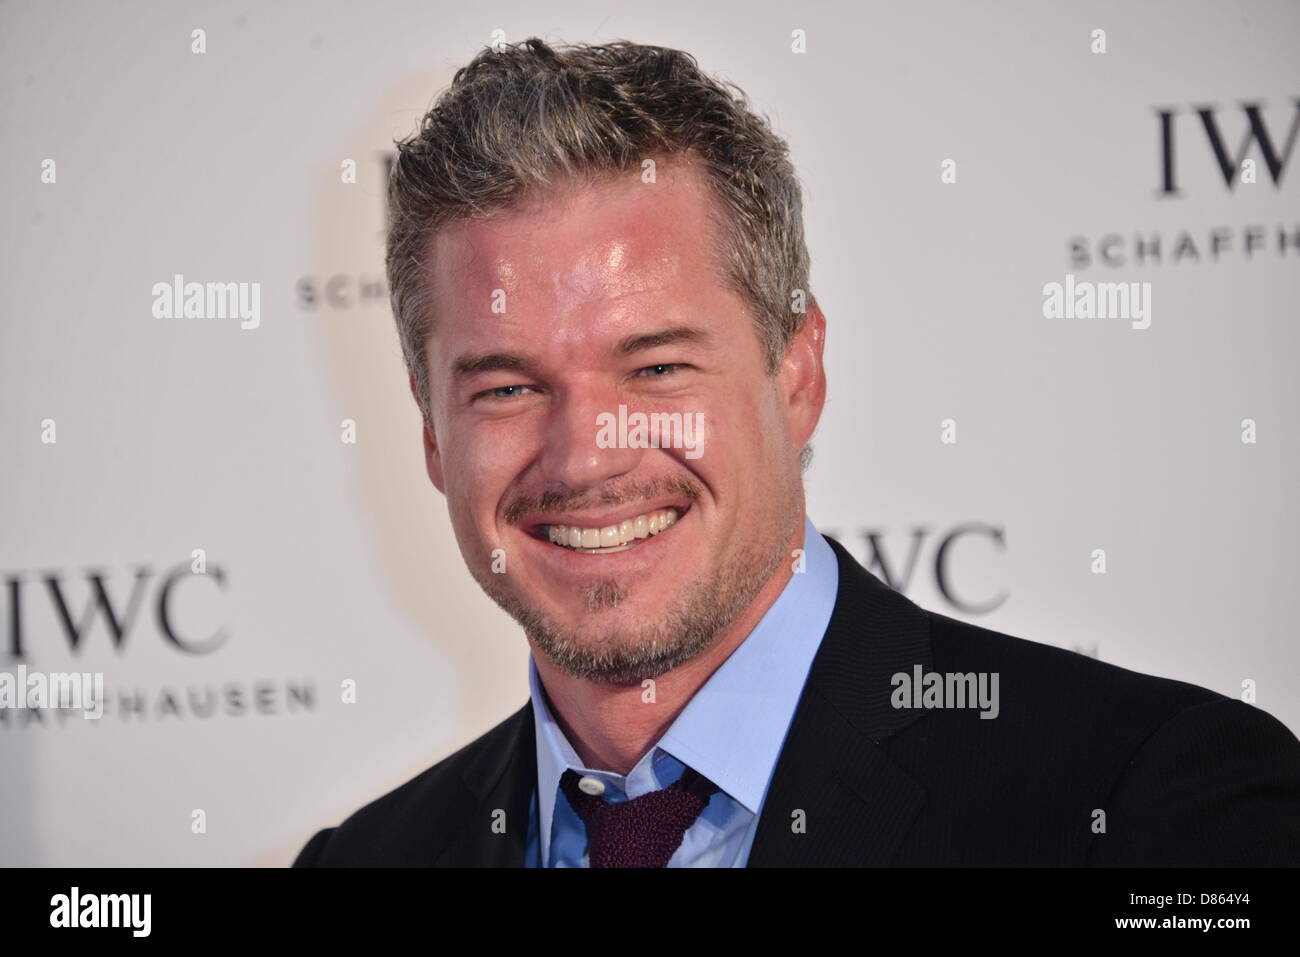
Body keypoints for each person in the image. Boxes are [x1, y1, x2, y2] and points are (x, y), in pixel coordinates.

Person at [294, 37, 1300, 867]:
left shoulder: (1154, 806)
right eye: (507, 388)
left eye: (655, 368)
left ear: (797, 373)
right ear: (432, 432)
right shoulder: (365, 862)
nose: (588, 456)